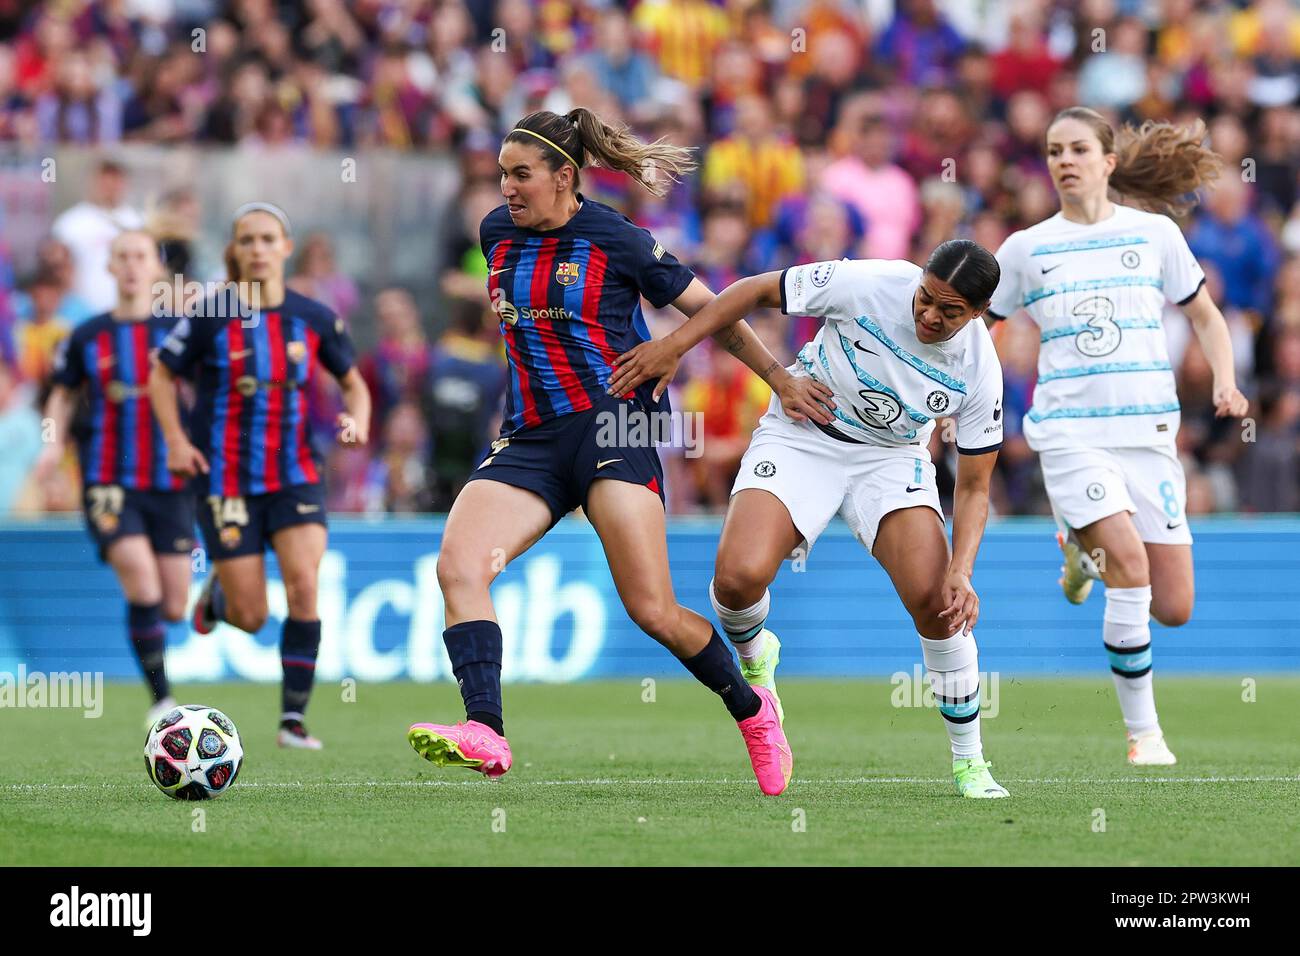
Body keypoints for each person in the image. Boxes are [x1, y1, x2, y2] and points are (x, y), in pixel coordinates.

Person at [406, 108, 831, 795]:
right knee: (459, 565)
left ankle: (753, 712)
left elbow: (712, 310)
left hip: (615, 427)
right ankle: (485, 729)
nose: (506, 189)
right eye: (502, 175)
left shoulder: (616, 237)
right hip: (532, 437)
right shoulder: (495, 235)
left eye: (521, 175)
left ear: (564, 176)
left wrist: (775, 378)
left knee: (653, 609)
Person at [609, 241, 1012, 798]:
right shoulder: (870, 283)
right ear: (918, 279)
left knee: (940, 606)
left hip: (890, 459)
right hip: (804, 431)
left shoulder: (980, 369)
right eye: (926, 298)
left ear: (979, 312)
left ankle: (971, 765)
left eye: (950, 312)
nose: (929, 316)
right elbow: (753, 290)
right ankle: (757, 659)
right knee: (736, 578)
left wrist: (963, 570)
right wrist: (680, 347)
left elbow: (973, 487)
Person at [985, 107, 1248, 765]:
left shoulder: (1155, 234)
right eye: (1053, 151)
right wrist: (954, 397)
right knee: (1130, 568)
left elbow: (1208, 318)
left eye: (1077, 149)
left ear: (1107, 161)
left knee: (1176, 606)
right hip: (1072, 435)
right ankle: (1145, 737)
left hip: (1150, 435)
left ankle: (1080, 550)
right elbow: (973, 324)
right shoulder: (1024, 248)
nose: (1064, 160)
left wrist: (1225, 381)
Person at [148, 202, 371, 750]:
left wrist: (357, 420)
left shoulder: (314, 317)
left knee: (304, 584)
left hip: (294, 476)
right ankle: (219, 598)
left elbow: (354, 382)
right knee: (250, 616)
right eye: (247, 240)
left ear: (286, 248)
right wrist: (176, 441)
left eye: (268, 239)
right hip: (224, 481)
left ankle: (292, 721)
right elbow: (160, 374)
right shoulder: (209, 314)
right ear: (235, 250)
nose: (258, 249)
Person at [40, 230, 193, 726]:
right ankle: (162, 700)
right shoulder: (86, 335)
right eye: (121, 257)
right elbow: (61, 395)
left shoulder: (180, 332)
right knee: (141, 584)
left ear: (156, 268)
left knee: (173, 605)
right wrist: (49, 447)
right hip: (107, 480)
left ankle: (207, 593)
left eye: (140, 257)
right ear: (108, 267)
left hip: (169, 483)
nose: (130, 266)